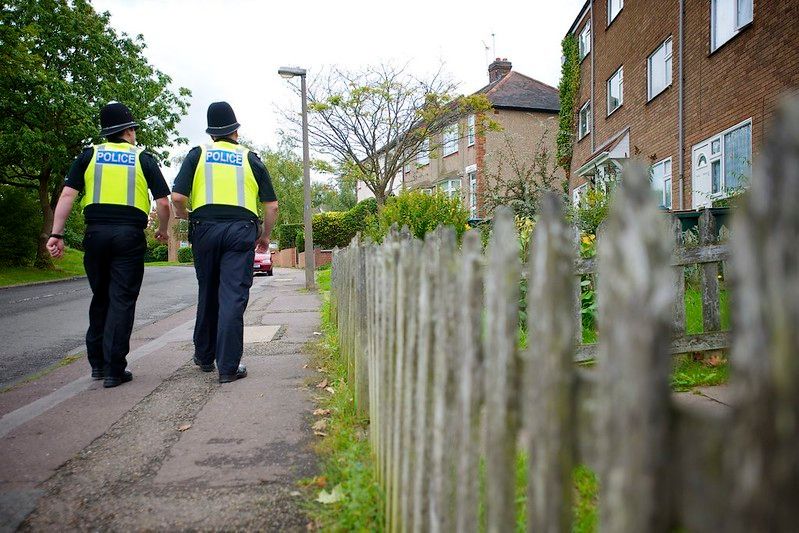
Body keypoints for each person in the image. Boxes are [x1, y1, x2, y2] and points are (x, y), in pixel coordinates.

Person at [47, 102, 171, 388]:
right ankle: (115, 369)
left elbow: (67, 195)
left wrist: (57, 234)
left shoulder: (89, 155)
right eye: (134, 129)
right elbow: (163, 202)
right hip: (128, 235)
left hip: (96, 235)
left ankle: (99, 367)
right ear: (128, 130)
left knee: (100, 296)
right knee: (122, 300)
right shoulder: (143, 158)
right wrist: (162, 231)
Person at [171, 101, 279, 384]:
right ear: (236, 131)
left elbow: (178, 199)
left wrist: (187, 216)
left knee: (208, 290)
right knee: (232, 295)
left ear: (211, 134)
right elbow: (272, 206)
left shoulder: (197, 155)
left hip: (204, 228)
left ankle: (205, 357)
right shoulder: (250, 159)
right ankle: (228, 367)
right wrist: (265, 237)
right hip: (240, 230)